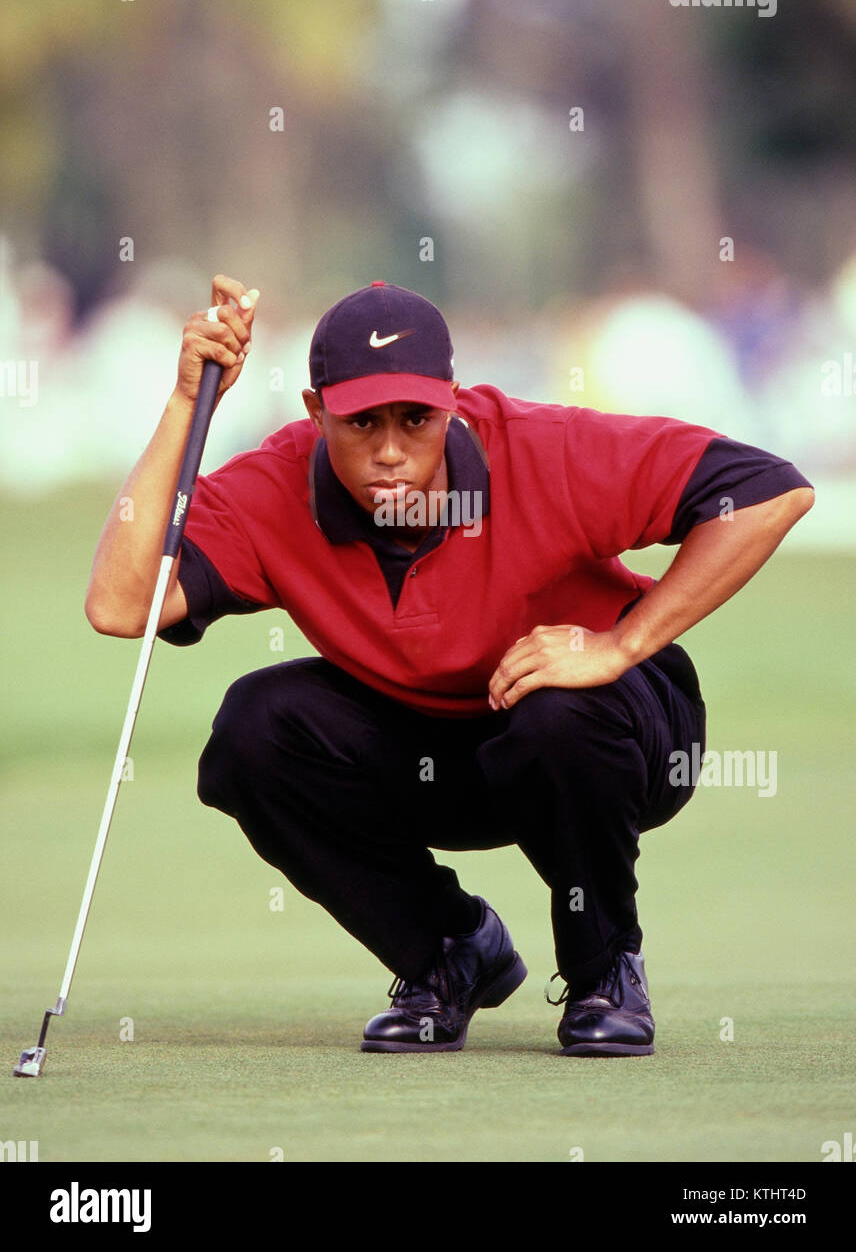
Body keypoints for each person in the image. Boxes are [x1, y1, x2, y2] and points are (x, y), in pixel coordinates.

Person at [85, 273, 815, 1057]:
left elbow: (769, 492)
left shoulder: (545, 448)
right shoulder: (275, 484)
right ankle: (449, 951)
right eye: (361, 422)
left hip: (616, 731)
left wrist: (620, 645)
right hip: (441, 747)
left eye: (416, 419)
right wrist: (186, 406)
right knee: (252, 731)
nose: (392, 451)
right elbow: (122, 605)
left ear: (454, 404)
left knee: (554, 714)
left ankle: (605, 973)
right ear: (314, 412)